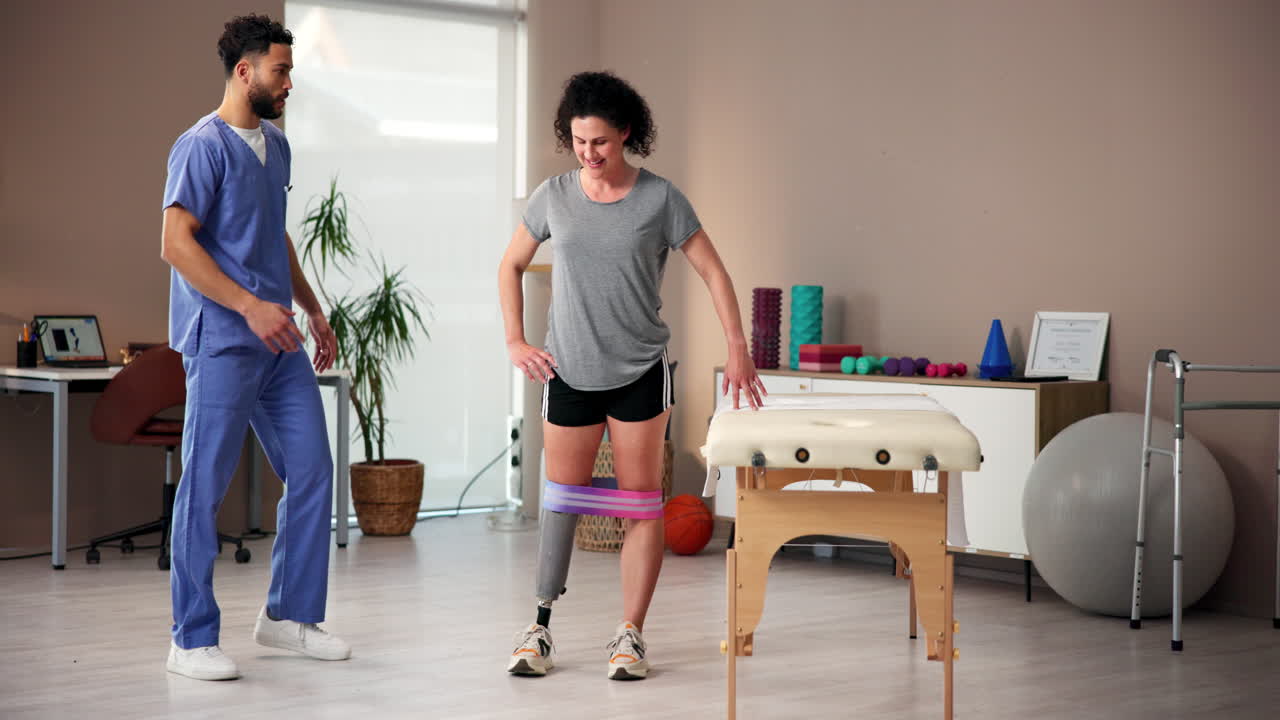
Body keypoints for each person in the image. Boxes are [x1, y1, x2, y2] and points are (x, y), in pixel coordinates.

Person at [497, 70, 766, 680]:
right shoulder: (553, 195)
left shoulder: (661, 199)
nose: (588, 154)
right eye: (578, 141)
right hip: (568, 369)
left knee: (640, 506)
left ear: (625, 133)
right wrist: (515, 340)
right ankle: (539, 628)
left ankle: (630, 635)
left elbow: (715, 273)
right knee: (561, 502)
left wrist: (739, 347)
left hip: (640, 373)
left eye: (600, 142)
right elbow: (510, 265)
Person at [159, 13, 350, 681]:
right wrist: (246, 305)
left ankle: (288, 618)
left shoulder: (278, 146)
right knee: (204, 488)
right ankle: (190, 638)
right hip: (222, 343)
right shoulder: (201, 145)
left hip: (280, 344)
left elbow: (275, 238)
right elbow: (175, 244)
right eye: (281, 70)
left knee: (313, 471)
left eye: (291, 70)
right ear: (245, 72)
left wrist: (314, 308)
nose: (289, 83)